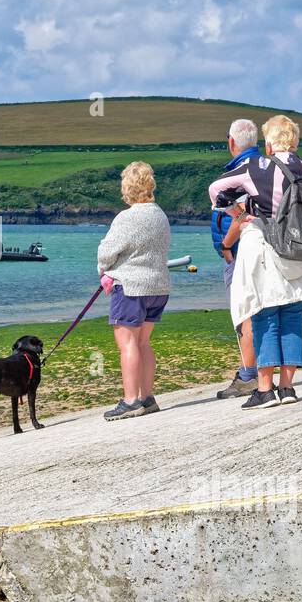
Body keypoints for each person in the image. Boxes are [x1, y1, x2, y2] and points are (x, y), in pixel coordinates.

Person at [208, 115, 302, 410]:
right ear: (294, 141)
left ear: (268, 143)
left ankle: (264, 389)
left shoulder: (255, 166)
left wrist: (239, 212)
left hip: (266, 250)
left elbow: (216, 190)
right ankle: (288, 387)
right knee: (292, 317)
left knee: (264, 316)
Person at [97, 161, 172, 420]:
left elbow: (107, 251)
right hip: (158, 285)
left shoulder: (127, 217)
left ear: (127, 187)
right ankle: (146, 397)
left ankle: (131, 401)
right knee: (143, 343)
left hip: (131, 286)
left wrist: (103, 269)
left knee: (127, 344)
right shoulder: (159, 214)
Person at [211, 119, 262, 398]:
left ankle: (248, 374)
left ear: (231, 142)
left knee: (244, 314)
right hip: (252, 251)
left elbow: (242, 213)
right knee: (254, 312)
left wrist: (227, 245)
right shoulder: (261, 166)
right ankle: (255, 370)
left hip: (241, 252)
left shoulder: (241, 171)